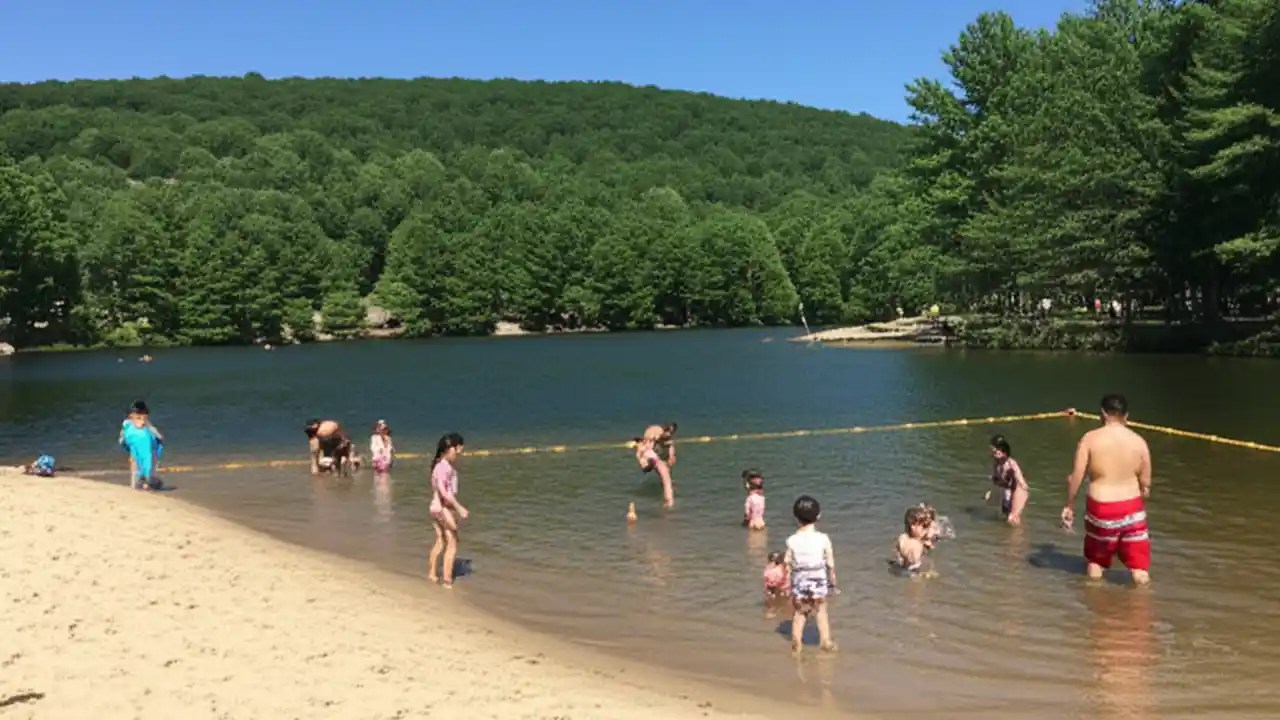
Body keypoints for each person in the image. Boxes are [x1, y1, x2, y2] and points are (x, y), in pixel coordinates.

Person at [1061, 394, 1153, 585]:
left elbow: (1076, 476)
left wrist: (1069, 505)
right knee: (1139, 569)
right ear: (1126, 416)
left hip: (1102, 507)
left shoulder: (1090, 439)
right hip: (1132, 507)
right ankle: (1142, 607)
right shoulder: (1139, 442)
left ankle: (1096, 608)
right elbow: (1146, 485)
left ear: (1102, 414)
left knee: (1096, 563)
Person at [785, 495, 838, 654]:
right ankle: (825, 641)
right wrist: (833, 580)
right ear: (819, 516)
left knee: (800, 613)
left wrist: (789, 583)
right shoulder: (823, 539)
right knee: (821, 611)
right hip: (818, 581)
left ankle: (796, 642)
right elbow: (829, 562)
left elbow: (788, 562)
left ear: (796, 518)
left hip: (800, 581)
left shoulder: (791, 540)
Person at [427, 433, 469, 589]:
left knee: (440, 541)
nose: (459, 454)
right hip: (443, 508)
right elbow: (445, 493)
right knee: (452, 543)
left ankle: (432, 574)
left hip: (435, 507)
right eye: (458, 450)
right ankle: (447, 580)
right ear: (451, 449)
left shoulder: (439, 466)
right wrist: (459, 508)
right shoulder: (444, 467)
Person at [119, 400, 164, 491]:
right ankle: (145, 481)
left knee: (136, 459)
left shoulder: (128, 423)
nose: (142, 418)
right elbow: (156, 433)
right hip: (141, 442)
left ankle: (140, 482)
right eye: (139, 416)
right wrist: (160, 437)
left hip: (139, 443)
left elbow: (123, 436)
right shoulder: (132, 423)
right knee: (141, 459)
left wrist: (122, 440)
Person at [986, 435, 1030, 525]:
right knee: (1006, 517)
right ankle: (1008, 536)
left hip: (1017, 492)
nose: (994, 453)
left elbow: (1019, 477)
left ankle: (1017, 536)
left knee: (1013, 518)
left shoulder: (1010, 463)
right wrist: (991, 491)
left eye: (997, 450)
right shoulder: (997, 464)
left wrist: (1021, 485)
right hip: (1006, 493)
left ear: (1004, 451)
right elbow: (996, 480)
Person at [634, 430, 675, 508]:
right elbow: (641, 454)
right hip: (654, 462)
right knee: (667, 481)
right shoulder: (643, 448)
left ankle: (669, 500)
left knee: (666, 480)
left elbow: (641, 455)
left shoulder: (645, 448)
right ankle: (669, 502)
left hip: (653, 462)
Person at [895, 506, 932, 573]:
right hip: (913, 573)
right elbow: (916, 564)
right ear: (913, 526)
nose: (926, 530)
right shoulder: (917, 545)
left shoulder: (902, 538)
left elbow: (897, 553)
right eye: (924, 526)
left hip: (902, 568)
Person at [762, 550, 789, 618]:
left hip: (773, 586)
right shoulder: (780, 569)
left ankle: (771, 612)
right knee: (782, 599)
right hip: (781, 587)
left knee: (772, 598)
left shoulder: (769, 570)